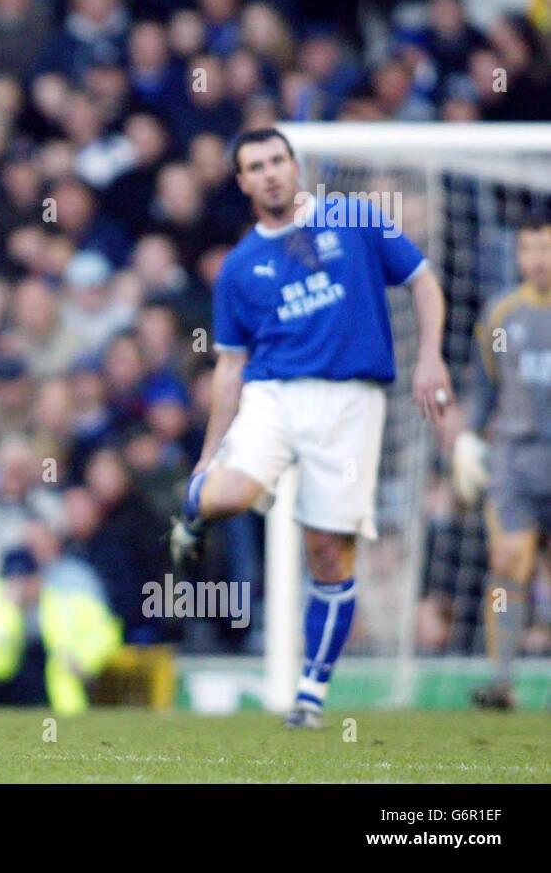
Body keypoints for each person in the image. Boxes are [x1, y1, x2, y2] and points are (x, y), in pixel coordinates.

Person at [170, 127, 451, 728]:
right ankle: (194, 509)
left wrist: (430, 355)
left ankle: (310, 695)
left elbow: (423, 281)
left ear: (294, 166)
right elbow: (230, 367)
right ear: (242, 182)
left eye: (278, 160)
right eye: (256, 166)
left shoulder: (353, 217)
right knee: (230, 494)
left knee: (328, 553)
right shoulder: (240, 266)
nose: (271, 172)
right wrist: (206, 453)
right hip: (274, 396)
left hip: (352, 403)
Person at [453, 220, 551, 710]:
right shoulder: (500, 317)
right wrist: (470, 434)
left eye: (546, 248)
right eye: (528, 248)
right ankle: (502, 678)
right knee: (508, 562)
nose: (537, 258)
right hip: (517, 460)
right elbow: (487, 383)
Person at [0, 547, 120, 716]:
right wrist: (10, 611)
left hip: (50, 692)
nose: (20, 586)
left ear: (37, 578)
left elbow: (105, 630)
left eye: (25, 579)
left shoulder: (64, 603)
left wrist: (83, 659)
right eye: (13, 580)